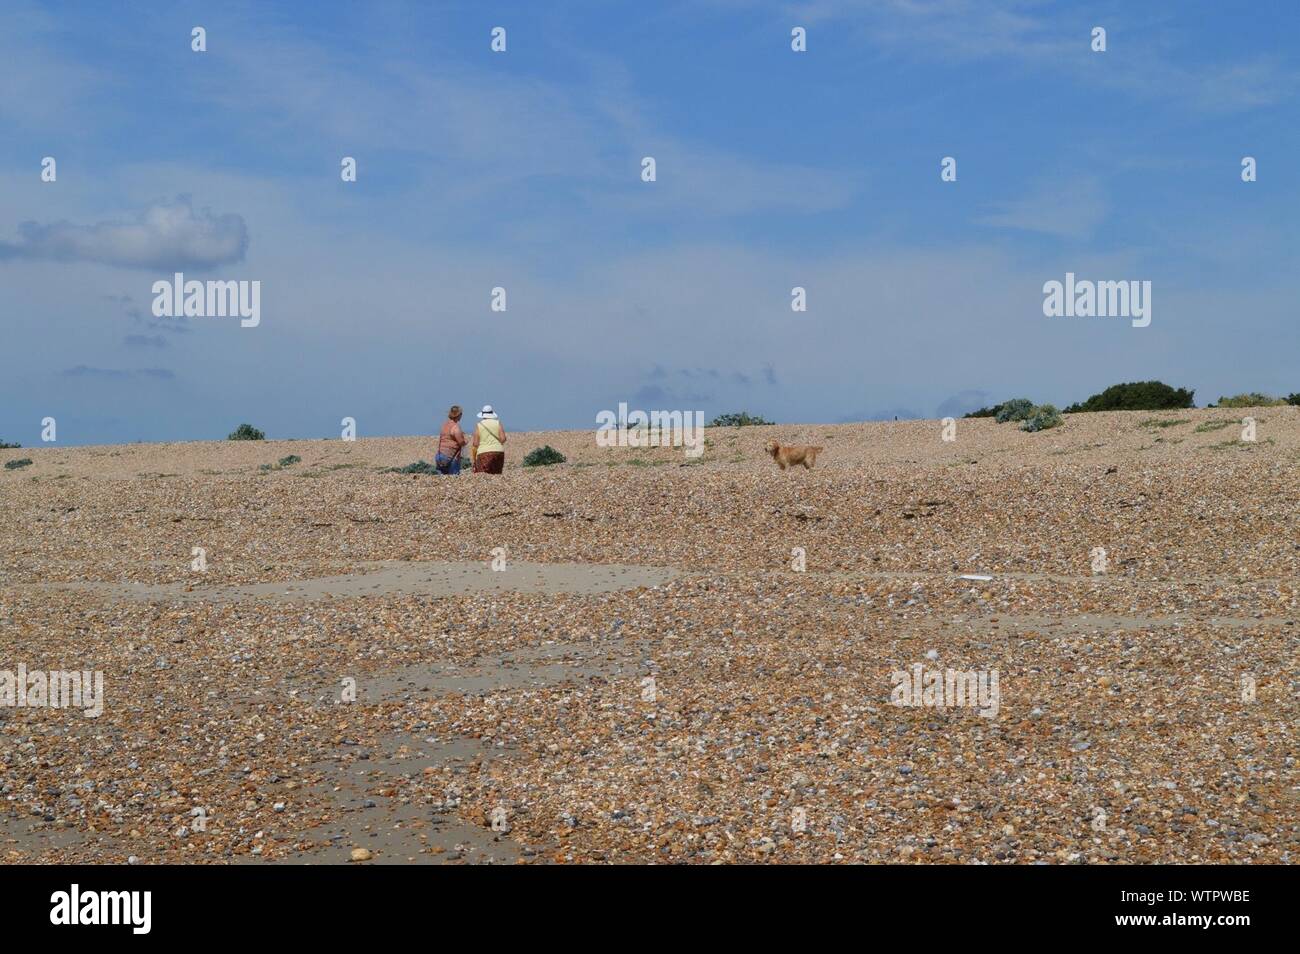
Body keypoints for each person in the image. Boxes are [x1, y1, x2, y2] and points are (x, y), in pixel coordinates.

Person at [471, 404, 507, 474]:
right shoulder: (498, 423)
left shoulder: (479, 425)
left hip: (484, 453)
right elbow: (503, 439)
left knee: (483, 476)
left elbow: (475, 443)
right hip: (498, 452)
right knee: (497, 475)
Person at [435, 405, 468, 474]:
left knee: (441, 479)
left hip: (440, 455)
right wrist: (465, 441)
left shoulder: (445, 425)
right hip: (450, 456)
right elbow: (461, 442)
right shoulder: (455, 427)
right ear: (458, 415)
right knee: (454, 478)